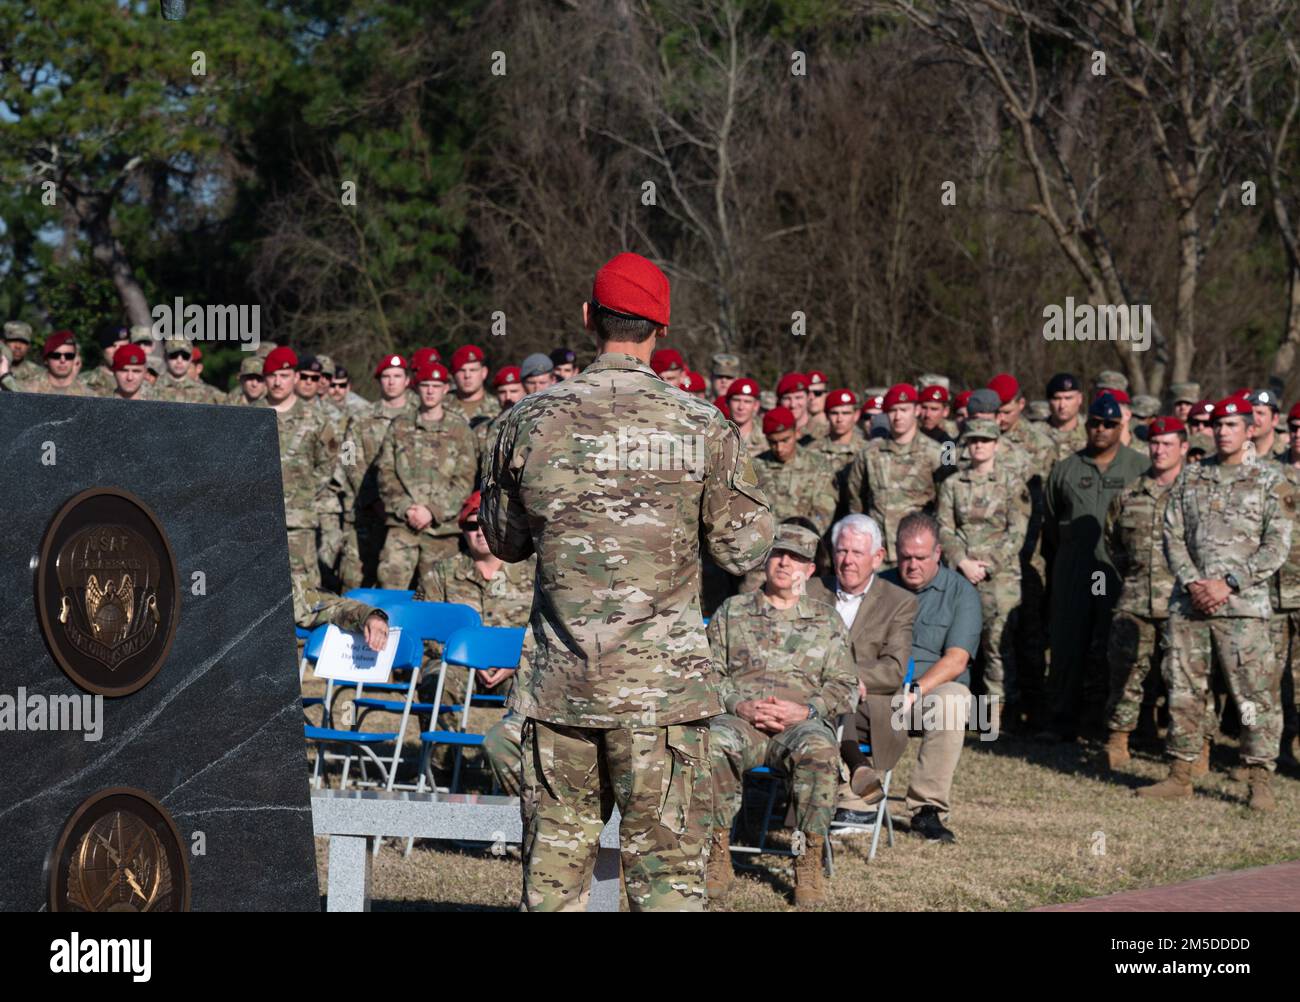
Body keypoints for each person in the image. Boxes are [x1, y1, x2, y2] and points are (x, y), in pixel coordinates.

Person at [480, 250, 774, 912]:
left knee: (553, 886)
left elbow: (503, 541)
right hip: (662, 702)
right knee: (666, 884)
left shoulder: (523, 421)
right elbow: (745, 548)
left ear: (588, 319)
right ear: (661, 329)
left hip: (560, 693)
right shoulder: (703, 425)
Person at [1140, 394, 1292, 811]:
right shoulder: (1191, 477)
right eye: (1218, 426)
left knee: (1253, 697)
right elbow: (1171, 534)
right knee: (1185, 690)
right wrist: (1193, 583)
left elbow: (1276, 544)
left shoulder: (1269, 480)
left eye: (1232, 425)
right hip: (1190, 606)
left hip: (1244, 607)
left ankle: (1259, 778)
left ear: (1250, 429)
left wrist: (1229, 583)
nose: (1223, 432)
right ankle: (1181, 773)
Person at [704, 522, 856, 906]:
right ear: (766, 560)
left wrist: (807, 709)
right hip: (741, 722)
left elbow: (845, 685)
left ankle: (807, 861)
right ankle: (717, 852)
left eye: (798, 557)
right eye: (779, 553)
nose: (785, 562)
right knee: (714, 741)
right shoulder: (732, 612)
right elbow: (706, 674)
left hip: (800, 726)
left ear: (810, 570)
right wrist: (738, 704)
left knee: (821, 752)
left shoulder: (826, 621)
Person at [1041, 392, 1148, 740]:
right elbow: (1053, 521)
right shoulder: (1066, 469)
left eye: (1109, 424)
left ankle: (1110, 722)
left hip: (1114, 573)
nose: (1101, 429)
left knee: (1111, 645)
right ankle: (1060, 720)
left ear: (1122, 425)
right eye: (1095, 423)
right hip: (1075, 571)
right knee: (1068, 643)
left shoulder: (1138, 466)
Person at [804, 515, 917, 830]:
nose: (848, 560)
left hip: (872, 706)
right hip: (811, 696)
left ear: (877, 558)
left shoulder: (899, 602)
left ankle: (816, 812)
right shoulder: (810, 590)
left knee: (839, 701)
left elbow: (894, 669)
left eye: (856, 553)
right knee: (831, 702)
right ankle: (857, 768)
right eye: (842, 551)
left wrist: (846, 678)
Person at [879, 513, 982, 843]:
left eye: (920, 558)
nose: (912, 565)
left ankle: (927, 810)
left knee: (954, 700)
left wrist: (914, 689)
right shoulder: (878, 585)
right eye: (905, 557)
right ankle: (846, 803)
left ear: (938, 553)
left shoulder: (960, 592)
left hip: (926, 695)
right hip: (878, 690)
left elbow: (957, 660)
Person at [423, 491, 537, 786]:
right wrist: (466, 658)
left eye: (487, 525)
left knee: (539, 685)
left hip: (518, 666)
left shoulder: (532, 572)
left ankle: (522, 773)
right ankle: (445, 770)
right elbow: (429, 631)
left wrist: (517, 661)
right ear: (462, 530)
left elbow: (545, 629)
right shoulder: (441, 575)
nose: (480, 533)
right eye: (472, 525)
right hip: (458, 666)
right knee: (437, 679)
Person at [1102, 416, 1194, 770]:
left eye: (1168, 443)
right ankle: (1117, 740)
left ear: (1183, 447)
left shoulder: (1195, 494)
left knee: (1185, 678)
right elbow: (1114, 545)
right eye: (1155, 443)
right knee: (1125, 674)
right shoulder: (1129, 493)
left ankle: (1193, 747)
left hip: (1183, 602)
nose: (1159, 450)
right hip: (1136, 598)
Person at [936, 418, 1030, 730]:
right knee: (958, 643)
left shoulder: (1012, 484)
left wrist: (986, 564)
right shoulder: (952, 484)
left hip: (999, 578)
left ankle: (997, 714)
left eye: (985, 440)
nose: (978, 445)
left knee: (997, 646)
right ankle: (955, 709)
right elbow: (945, 528)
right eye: (973, 440)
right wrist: (962, 562)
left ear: (996, 445)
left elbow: (1017, 534)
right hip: (960, 574)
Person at [375, 362, 478, 589]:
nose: (430, 391)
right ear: (416, 388)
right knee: (390, 589)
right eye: (425, 385)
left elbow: (464, 480)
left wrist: (432, 511)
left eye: (436, 385)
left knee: (441, 595)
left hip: (443, 531)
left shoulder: (459, 429)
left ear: (445, 389)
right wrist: (407, 508)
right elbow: (385, 472)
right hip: (403, 526)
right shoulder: (399, 426)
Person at [262, 346, 341, 592]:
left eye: (284, 375)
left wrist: (302, 493)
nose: (277, 382)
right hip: (258, 517)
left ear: (295, 377)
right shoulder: (249, 414)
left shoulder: (316, 419)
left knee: (304, 589)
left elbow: (327, 463)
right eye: (272, 375)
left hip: (299, 519)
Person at [842, 383, 945, 569]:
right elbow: (855, 497)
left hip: (917, 554)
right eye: (892, 410)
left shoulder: (936, 453)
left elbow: (944, 503)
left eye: (904, 410)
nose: (898, 416)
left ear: (917, 410)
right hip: (879, 552)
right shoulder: (870, 453)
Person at [1275, 403, 1300, 767]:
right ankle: (1271, 751)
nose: (1298, 433)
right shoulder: (1271, 474)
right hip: (1274, 591)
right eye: (1294, 427)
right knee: (1271, 676)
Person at [447, 344, 501, 432]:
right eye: (462, 370)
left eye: (473, 370)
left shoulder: (498, 408)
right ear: (453, 374)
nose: (467, 375)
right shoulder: (440, 406)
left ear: (484, 372)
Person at [152, 339, 222, 403]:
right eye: (174, 355)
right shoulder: (152, 389)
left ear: (191, 359)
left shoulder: (207, 393)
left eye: (185, 356)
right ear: (165, 357)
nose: (179, 360)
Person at [26, 330, 93, 396]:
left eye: (69, 356)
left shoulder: (89, 395)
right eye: (56, 356)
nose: (62, 360)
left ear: (76, 359)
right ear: (46, 359)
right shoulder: (28, 392)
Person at [1042, 372, 1086, 464]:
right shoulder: (1035, 433)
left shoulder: (1091, 433)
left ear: (1080, 399)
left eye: (1068, 398)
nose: (1062, 405)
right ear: (1049, 401)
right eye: (1057, 399)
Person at [725, 377, 765, 458]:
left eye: (747, 401)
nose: (741, 407)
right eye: (736, 400)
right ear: (727, 403)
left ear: (756, 406)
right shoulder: (716, 434)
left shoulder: (766, 438)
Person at [776, 372, 816, 444]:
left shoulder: (823, 433)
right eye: (787, 398)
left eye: (798, 398)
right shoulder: (771, 432)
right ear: (779, 401)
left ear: (809, 397)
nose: (793, 405)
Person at [1247, 389, 1285, 459]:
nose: (1253, 419)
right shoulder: (1237, 451)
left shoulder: (1287, 454)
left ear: (1275, 419)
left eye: (1260, 413)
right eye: (1250, 413)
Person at [805, 370, 830, 438]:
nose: (812, 397)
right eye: (807, 393)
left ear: (827, 395)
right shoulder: (795, 426)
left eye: (817, 393)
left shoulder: (837, 425)